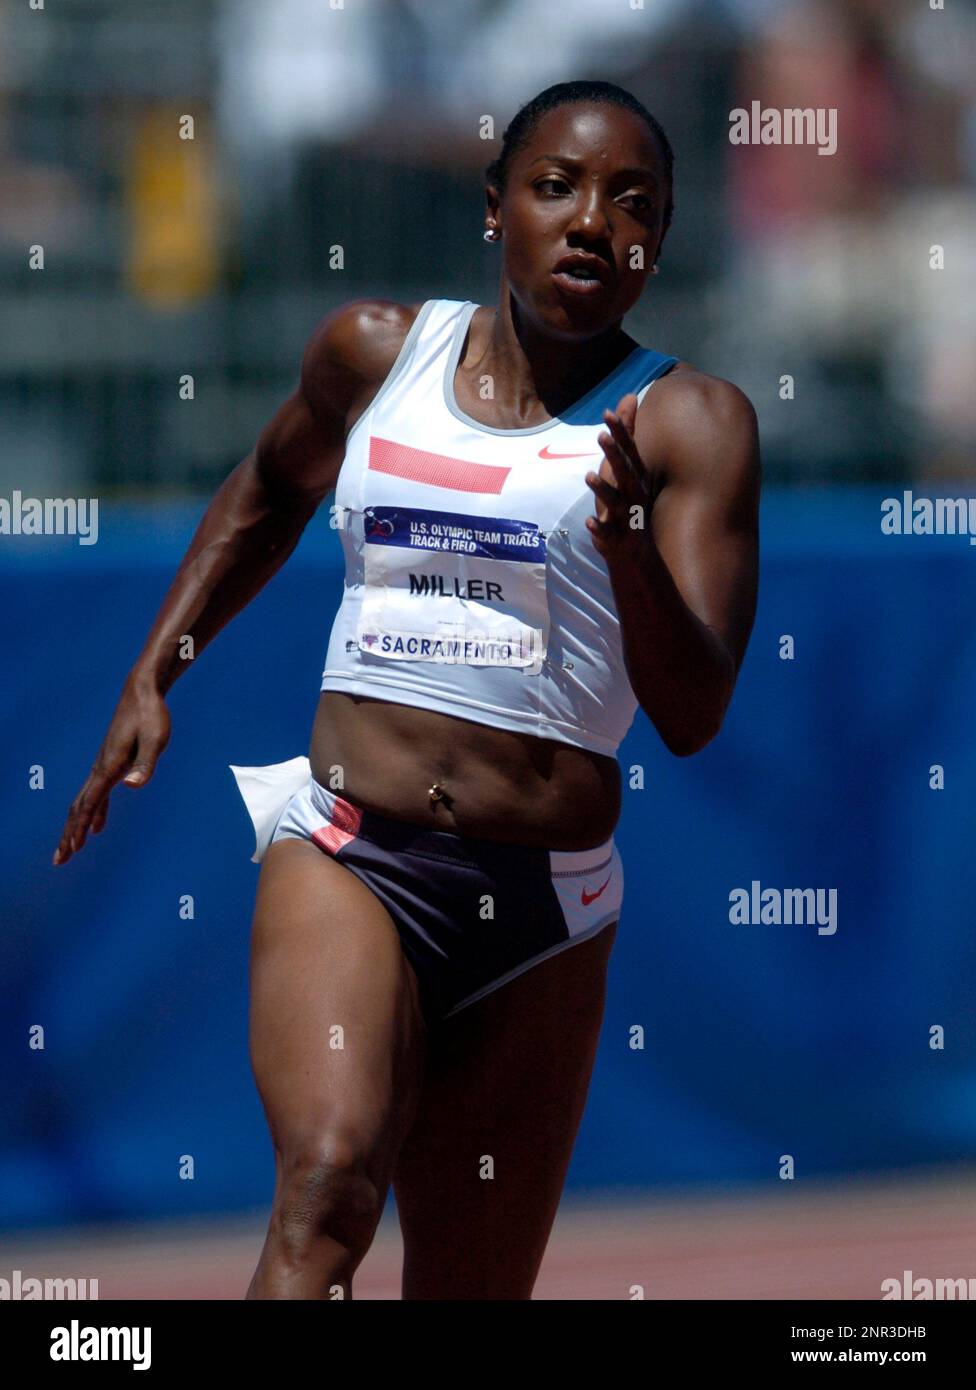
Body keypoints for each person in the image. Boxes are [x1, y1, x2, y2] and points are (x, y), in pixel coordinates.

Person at [52, 79, 760, 1300]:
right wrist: (151, 674)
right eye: (556, 188)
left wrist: (632, 540)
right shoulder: (377, 350)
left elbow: (693, 714)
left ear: (659, 239)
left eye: (631, 202)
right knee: (327, 1189)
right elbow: (270, 489)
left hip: (546, 908)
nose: (592, 221)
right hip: (349, 851)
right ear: (495, 209)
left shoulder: (693, 424)